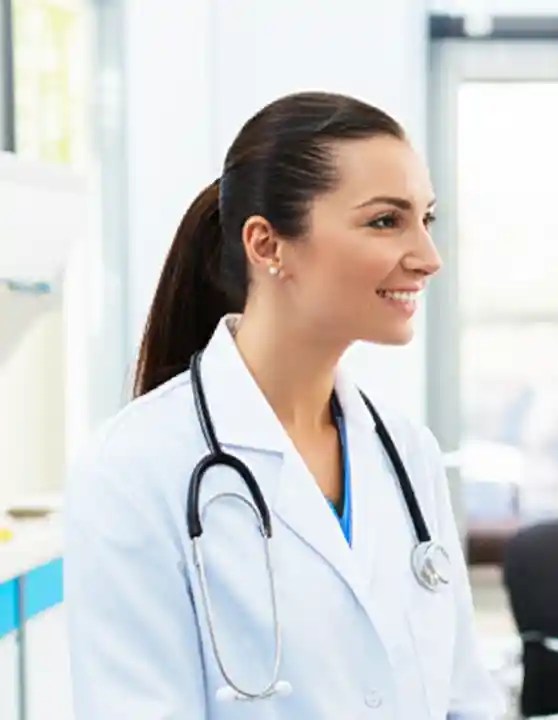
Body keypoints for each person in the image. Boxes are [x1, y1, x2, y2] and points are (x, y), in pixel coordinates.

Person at [64, 91, 505, 719]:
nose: (428, 258)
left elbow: (466, 701)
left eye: (425, 219)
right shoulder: (134, 467)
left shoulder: (408, 454)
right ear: (268, 245)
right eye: (386, 221)